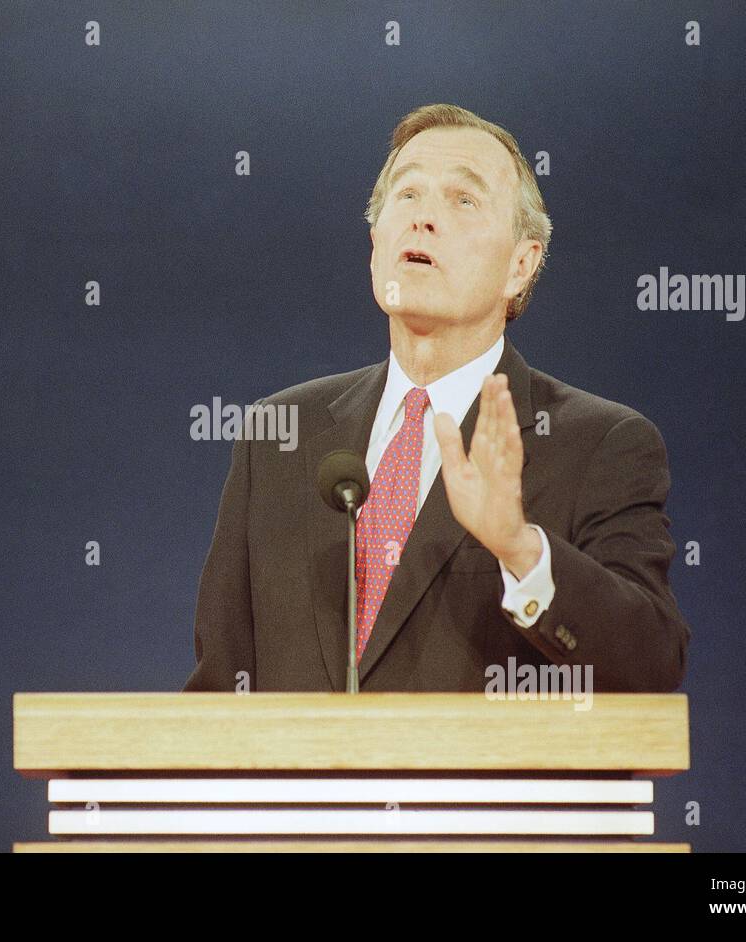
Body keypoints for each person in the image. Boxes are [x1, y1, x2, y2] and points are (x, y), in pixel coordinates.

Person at [184, 104, 690, 693]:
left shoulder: (600, 444)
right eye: (407, 195)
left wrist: (520, 549)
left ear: (520, 267)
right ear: (376, 246)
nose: (423, 219)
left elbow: (652, 666)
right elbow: (220, 692)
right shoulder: (278, 433)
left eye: (463, 200)